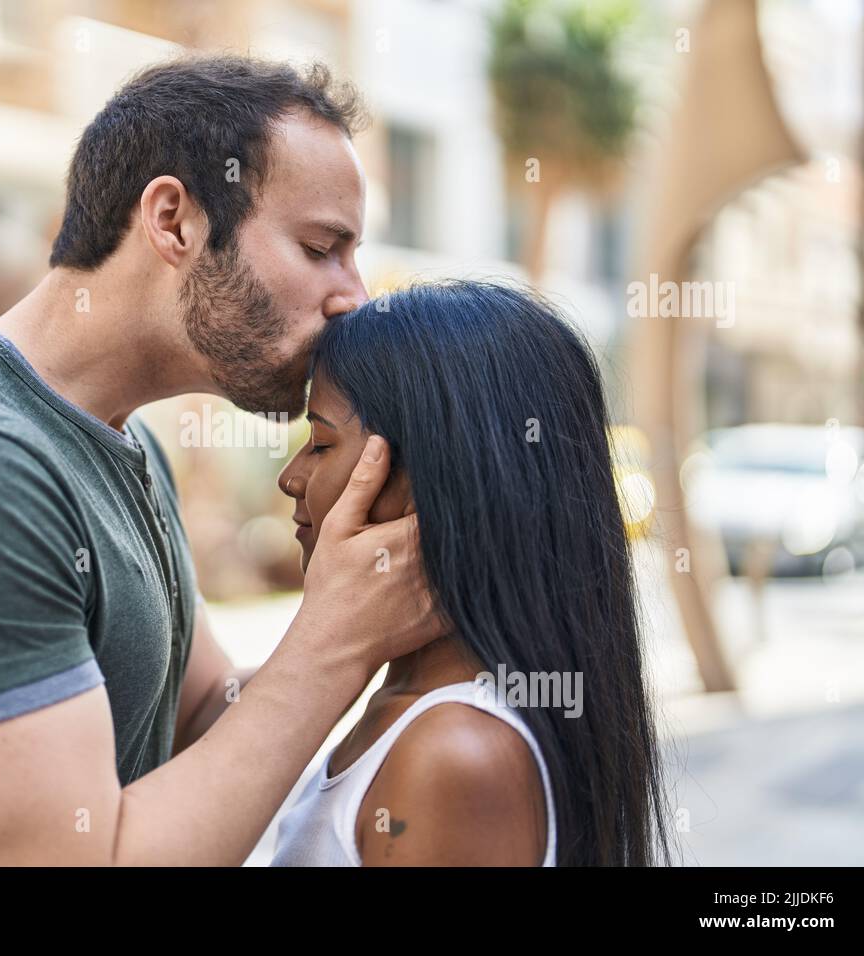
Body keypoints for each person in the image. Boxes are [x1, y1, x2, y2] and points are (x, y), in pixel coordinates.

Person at [0, 54, 442, 865]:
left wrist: (383, 636)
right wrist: (336, 643)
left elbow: (199, 716)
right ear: (172, 221)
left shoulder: (121, 441)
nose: (353, 295)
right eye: (320, 247)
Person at [271, 281, 678, 866]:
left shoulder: (453, 753)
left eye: (318, 443)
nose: (290, 477)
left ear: (423, 481)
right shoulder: (408, 699)